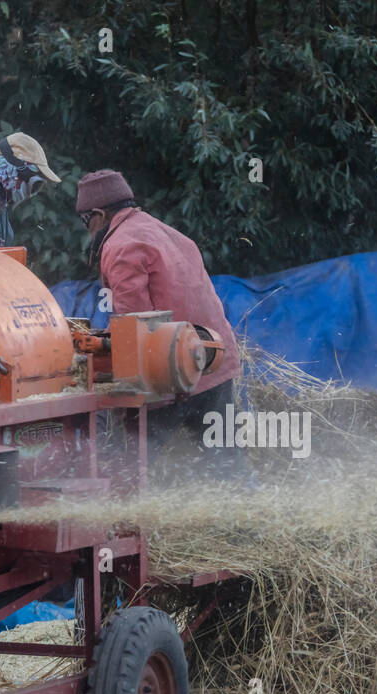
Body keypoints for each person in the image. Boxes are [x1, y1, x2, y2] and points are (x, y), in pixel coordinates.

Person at [75, 169, 245, 476]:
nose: (87, 231)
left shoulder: (120, 246)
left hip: (173, 371)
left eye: (85, 221)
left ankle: (126, 519)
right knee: (227, 465)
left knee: (134, 469)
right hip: (214, 360)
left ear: (98, 214)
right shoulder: (166, 232)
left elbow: (136, 328)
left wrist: (103, 358)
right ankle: (246, 519)